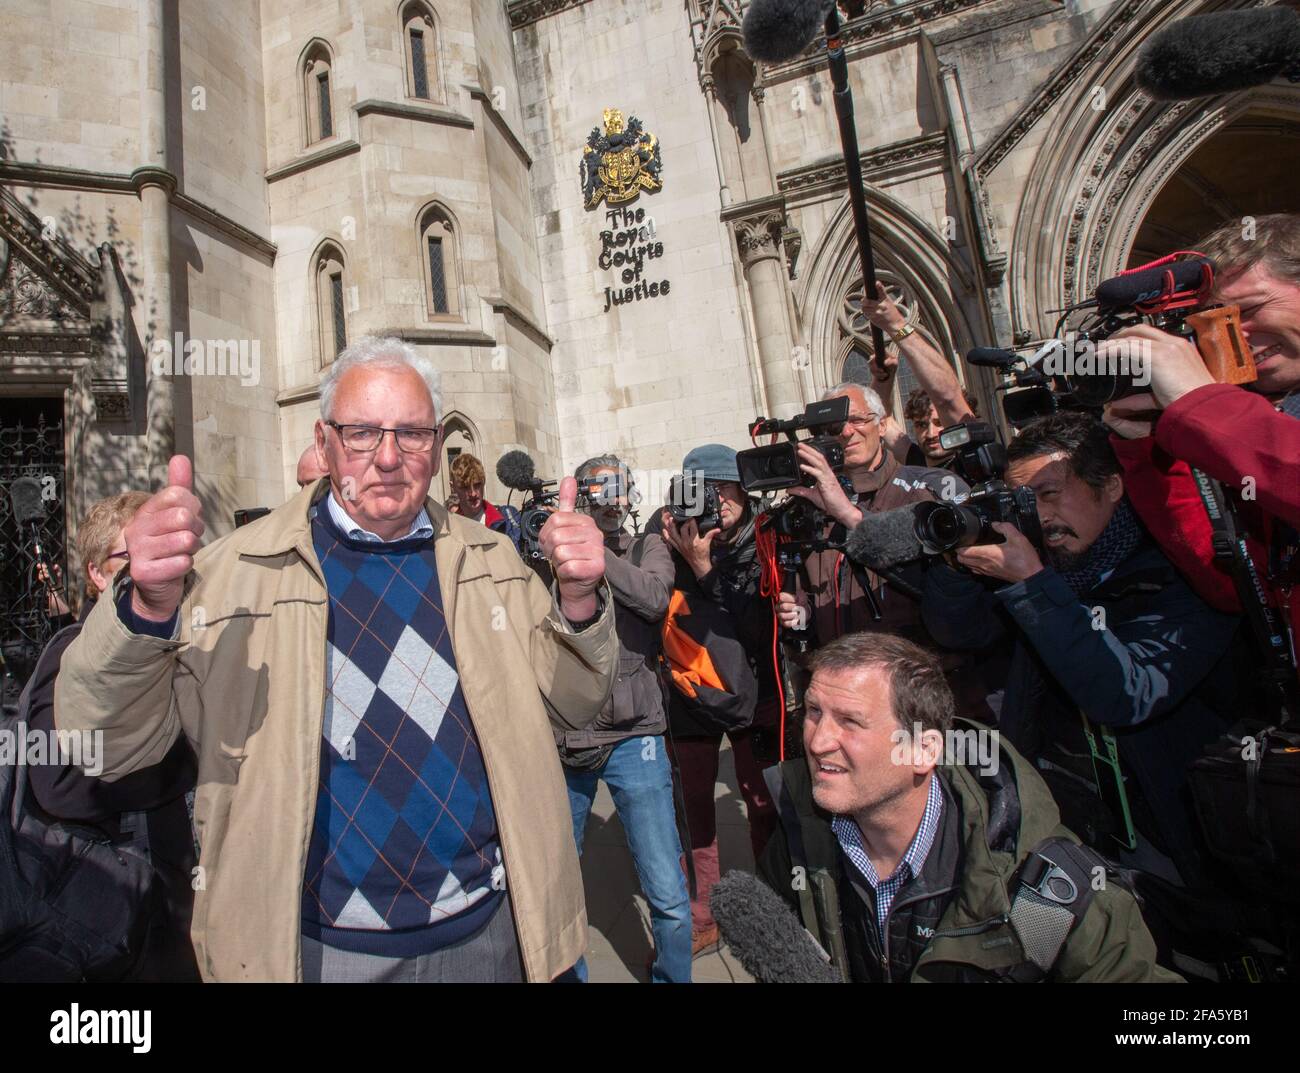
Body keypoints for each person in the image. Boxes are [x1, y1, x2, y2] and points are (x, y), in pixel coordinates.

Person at [54, 335, 618, 983]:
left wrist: (576, 601)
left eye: (411, 433)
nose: (386, 456)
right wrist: (142, 611)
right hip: (319, 952)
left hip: (487, 936)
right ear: (323, 444)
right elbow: (104, 740)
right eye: (360, 432)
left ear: (436, 448)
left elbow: (574, 702)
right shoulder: (231, 575)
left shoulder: (493, 562)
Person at [920, 411, 1239, 896]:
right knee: (1055, 956)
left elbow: (1124, 694)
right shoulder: (1047, 573)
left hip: (1175, 843)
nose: (1040, 515)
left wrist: (1033, 586)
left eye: (1049, 494)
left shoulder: (1181, 575)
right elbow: (957, 632)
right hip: (1062, 835)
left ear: (1111, 486)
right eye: (1025, 500)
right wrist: (956, 563)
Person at [759, 631, 1179, 982]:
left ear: (922, 751)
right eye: (814, 711)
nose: (816, 741)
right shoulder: (800, 839)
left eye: (850, 721)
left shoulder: (1035, 892)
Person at [1102, 214, 1300, 686]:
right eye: (1214, 323)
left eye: (1249, 310)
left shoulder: (1238, 423)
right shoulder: (1260, 419)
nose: (1236, 337)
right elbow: (1237, 588)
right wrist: (1148, 453)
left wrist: (1200, 405)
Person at [23, 491, 199, 981]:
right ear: (97, 574)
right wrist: (180, 764)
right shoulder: (69, 654)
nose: (159, 567)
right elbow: (59, 781)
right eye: (133, 556)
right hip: (119, 916)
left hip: (182, 906)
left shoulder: (179, 643)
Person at [557, 455, 691, 983]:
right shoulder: (557, 550)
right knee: (559, 887)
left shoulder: (647, 545)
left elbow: (656, 599)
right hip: (569, 733)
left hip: (637, 735)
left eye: (623, 486)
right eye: (603, 487)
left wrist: (595, 555)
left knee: (668, 894)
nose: (616, 497)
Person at [657, 443, 778, 956]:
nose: (717, 500)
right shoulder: (669, 534)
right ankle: (703, 908)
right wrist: (670, 545)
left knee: (762, 798)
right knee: (694, 806)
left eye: (725, 487)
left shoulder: (763, 540)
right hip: (691, 690)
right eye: (704, 489)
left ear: (744, 490)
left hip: (754, 693)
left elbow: (756, 628)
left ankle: (775, 904)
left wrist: (705, 567)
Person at [892, 387, 982, 469]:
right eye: (922, 425)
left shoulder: (977, 463)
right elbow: (884, 420)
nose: (930, 434)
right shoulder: (915, 462)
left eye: (940, 423)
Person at [448, 452, 523, 548]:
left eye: (477, 485)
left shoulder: (509, 518)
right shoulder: (449, 529)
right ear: (453, 487)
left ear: (484, 482)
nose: (473, 493)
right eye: (465, 487)